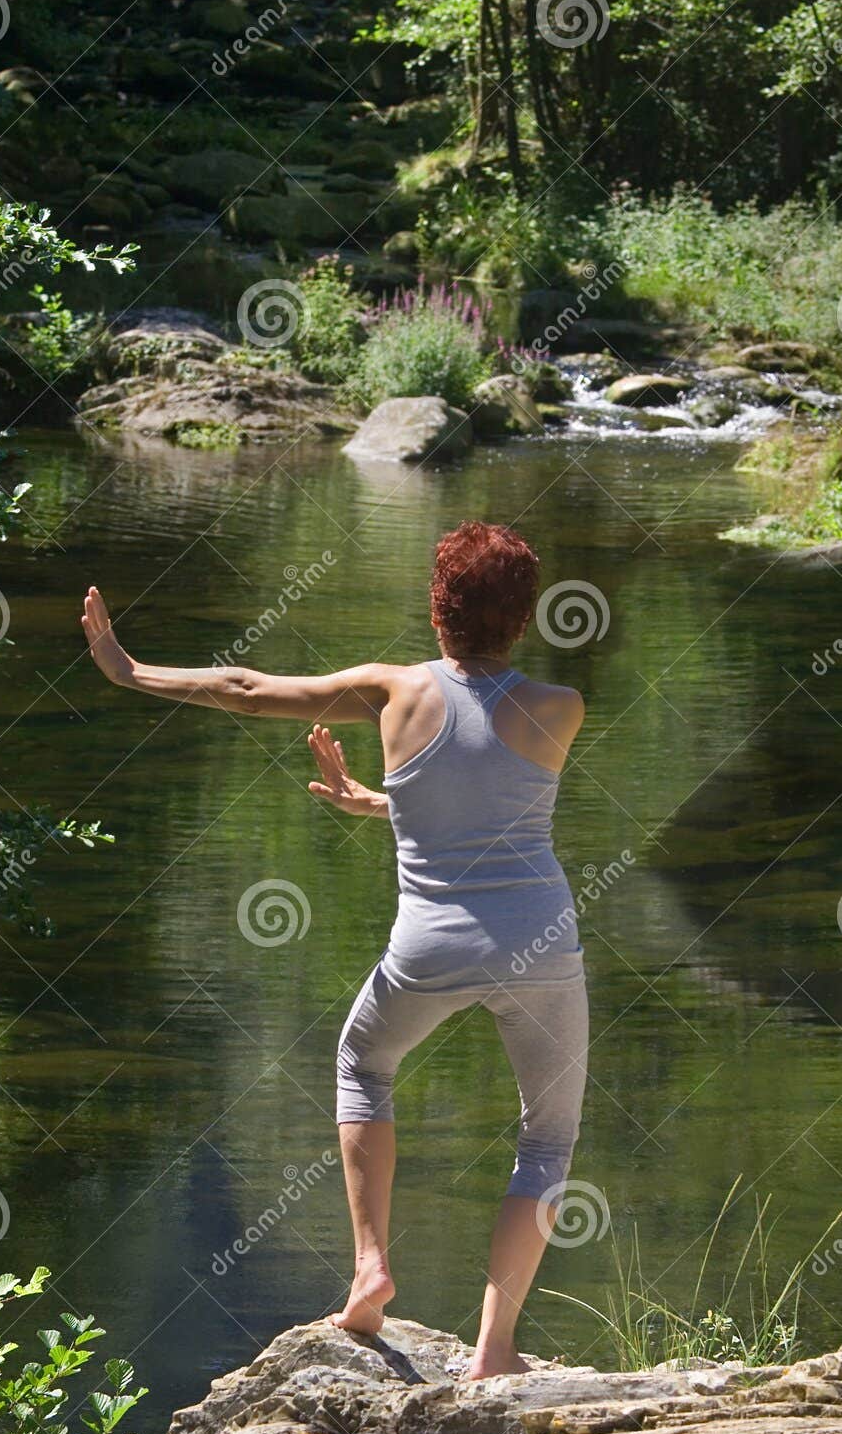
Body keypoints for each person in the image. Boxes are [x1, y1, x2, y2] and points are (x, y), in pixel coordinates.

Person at [81, 520, 588, 1378]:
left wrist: (129, 670)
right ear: (525, 618)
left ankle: (369, 1267)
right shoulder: (560, 707)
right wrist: (386, 805)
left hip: (429, 945)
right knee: (546, 1142)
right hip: (540, 943)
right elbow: (496, 815)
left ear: (438, 612)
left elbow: (245, 687)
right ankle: (494, 1351)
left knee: (363, 1061)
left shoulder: (394, 691)